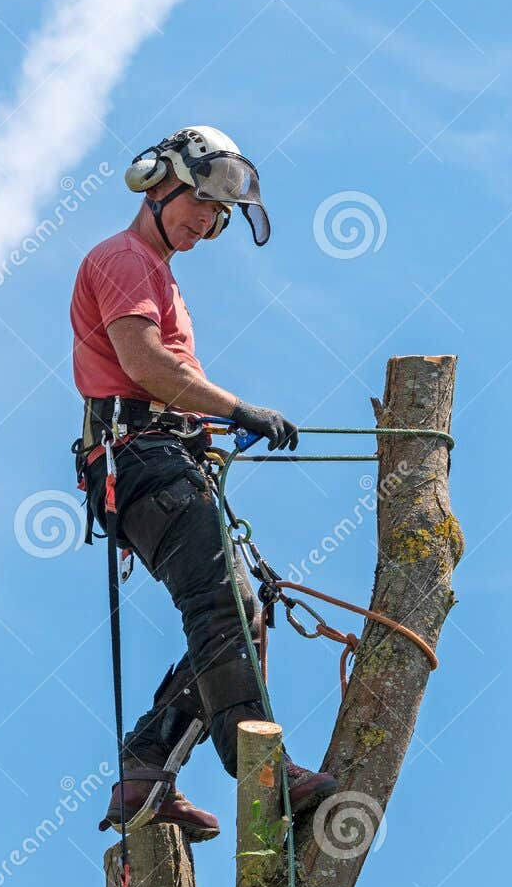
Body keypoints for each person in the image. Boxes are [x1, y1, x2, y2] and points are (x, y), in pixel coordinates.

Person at [70, 125, 336, 843]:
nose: (208, 224)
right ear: (156, 180)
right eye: (201, 205)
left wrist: (203, 426)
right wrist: (234, 408)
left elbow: (151, 386)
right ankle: (261, 772)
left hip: (156, 460)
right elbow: (150, 368)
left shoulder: (155, 270)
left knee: (239, 617)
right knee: (224, 612)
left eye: (219, 216)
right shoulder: (124, 259)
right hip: (143, 467)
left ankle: (147, 767)